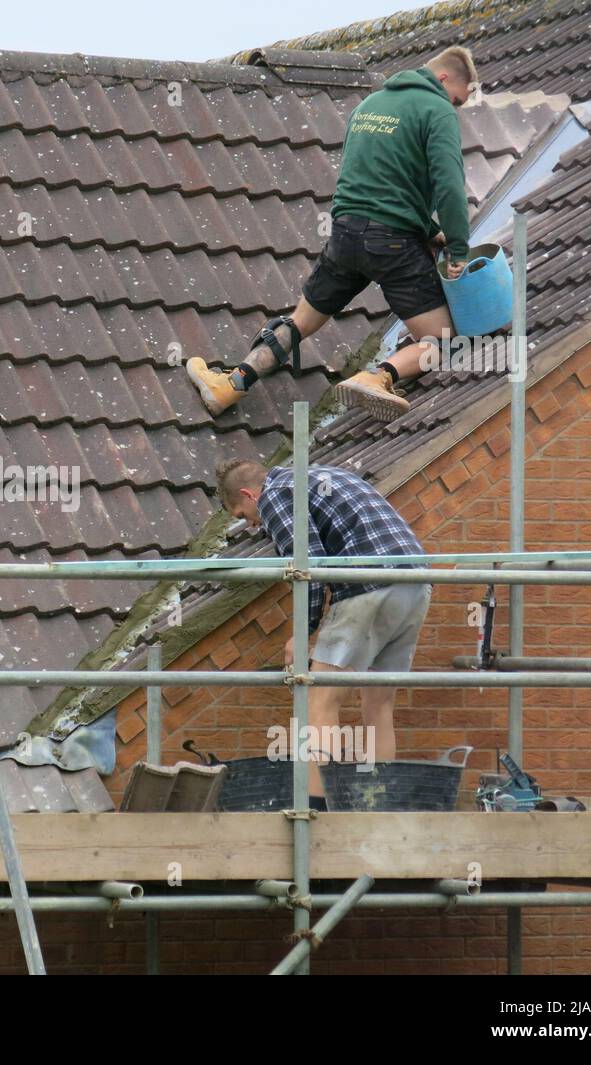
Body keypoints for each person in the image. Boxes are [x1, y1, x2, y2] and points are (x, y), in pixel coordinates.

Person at [187, 46, 480, 422]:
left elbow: (377, 179)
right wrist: (457, 249)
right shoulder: (435, 109)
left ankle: (230, 384)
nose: (454, 108)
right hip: (393, 243)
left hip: (345, 234)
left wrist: (430, 229)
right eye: (458, 99)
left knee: (300, 321)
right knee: (442, 340)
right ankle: (377, 377)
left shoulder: (370, 106)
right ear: (443, 80)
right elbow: (450, 185)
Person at [216, 459, 432, 809]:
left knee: (319, 698)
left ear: (248, 494)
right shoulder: (316, 474)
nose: (253, 525)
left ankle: (315, 809)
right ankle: (376, 808)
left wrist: (301, 633)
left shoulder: (275, 495)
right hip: (415, 584)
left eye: (244, 514)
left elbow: (308, 564)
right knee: (378, 702)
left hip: (368, 586)